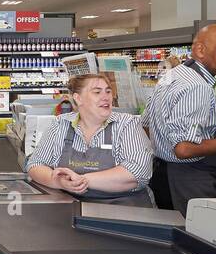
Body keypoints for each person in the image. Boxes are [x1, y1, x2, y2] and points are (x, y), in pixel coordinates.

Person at [145, 23, 216, 215]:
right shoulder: (197, 87)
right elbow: (184, 149)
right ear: (200, 50)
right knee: (196, 238)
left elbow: (146, 126)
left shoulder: (173, 75)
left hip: (162, 175)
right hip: (189, 179)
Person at [26, 74, 154, 206]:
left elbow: (138, 172)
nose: (106, 97)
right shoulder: (61, 124)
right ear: (78, 98)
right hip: (71, 207)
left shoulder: (127, 124)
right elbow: (35, 164)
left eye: (108, 91)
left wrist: (81, 180)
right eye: (97, 92)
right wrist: (59, 182)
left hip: (125, 210)